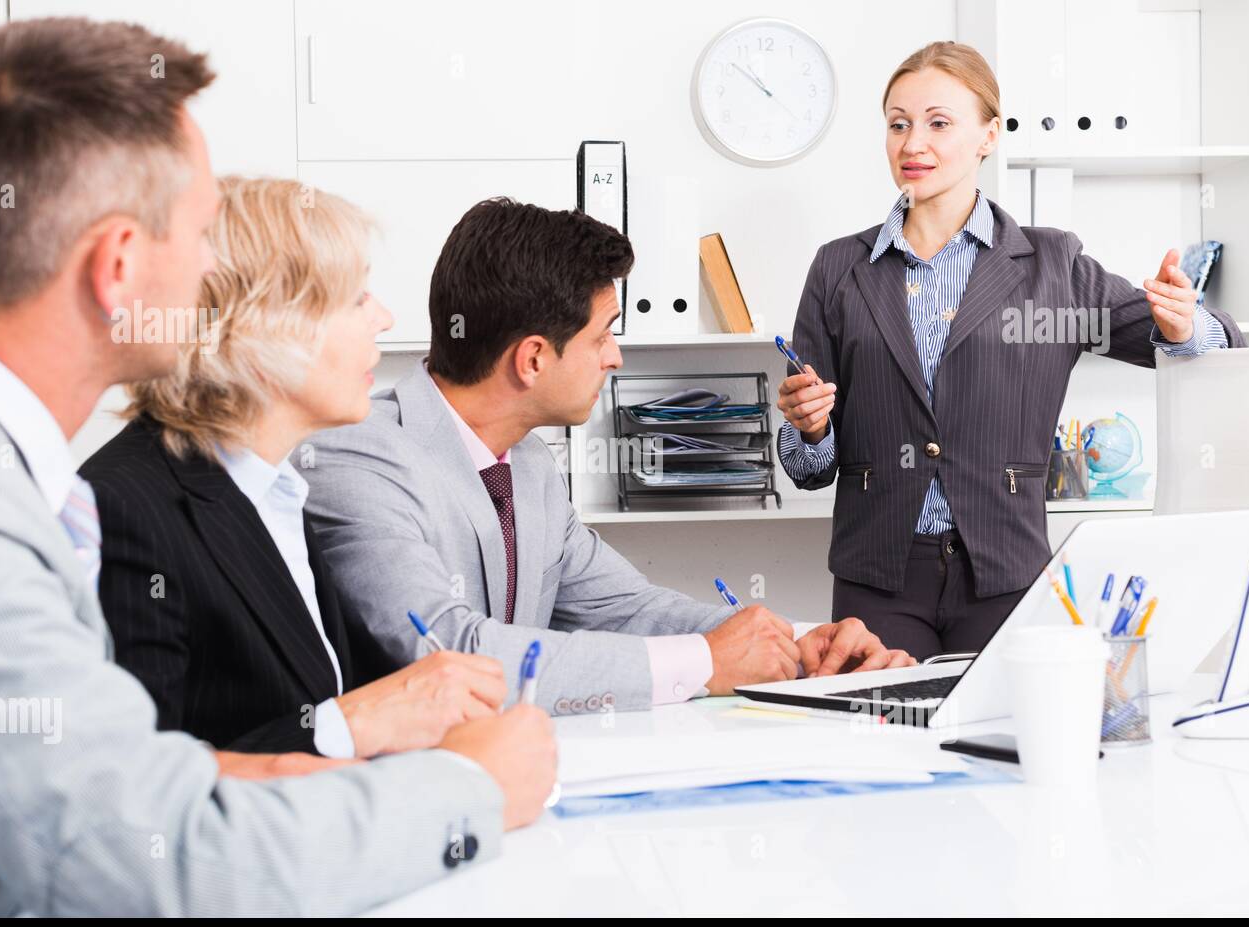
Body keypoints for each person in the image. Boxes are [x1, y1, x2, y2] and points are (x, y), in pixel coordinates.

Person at [0, 16, 553, 916]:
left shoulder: (8, 480)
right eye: (202, 233)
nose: (214, 273)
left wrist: (275, 766)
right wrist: (472, 790)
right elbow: (147, 862)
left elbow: (98, 787)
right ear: (119, 267)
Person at [300, 197, 915, 714]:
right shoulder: (360, 453)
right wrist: (705, 661)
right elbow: (448, 650)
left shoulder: (529, 464)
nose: (615, 357)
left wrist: (798, 642)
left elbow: (625, 607)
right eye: (603, 335)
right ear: (533, 358)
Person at [776, 41, 1242, 659]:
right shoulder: (838, 268)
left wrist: (1183, 326)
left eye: (939, 123)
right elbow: (808, 469)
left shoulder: (1052, 264)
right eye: (898, 124)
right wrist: (809, 429)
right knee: (881, 721)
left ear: (989, 135)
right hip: (878, 579)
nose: (914, 144)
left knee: (1009, 721)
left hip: (1006, 575)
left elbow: (1212, 341)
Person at [80, 176, 508, 758]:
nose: (384, 318)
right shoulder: (121, 510)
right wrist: (353, 724)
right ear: (265, 327)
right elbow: (133, 778)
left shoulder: (273, 488)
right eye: (357, 298)